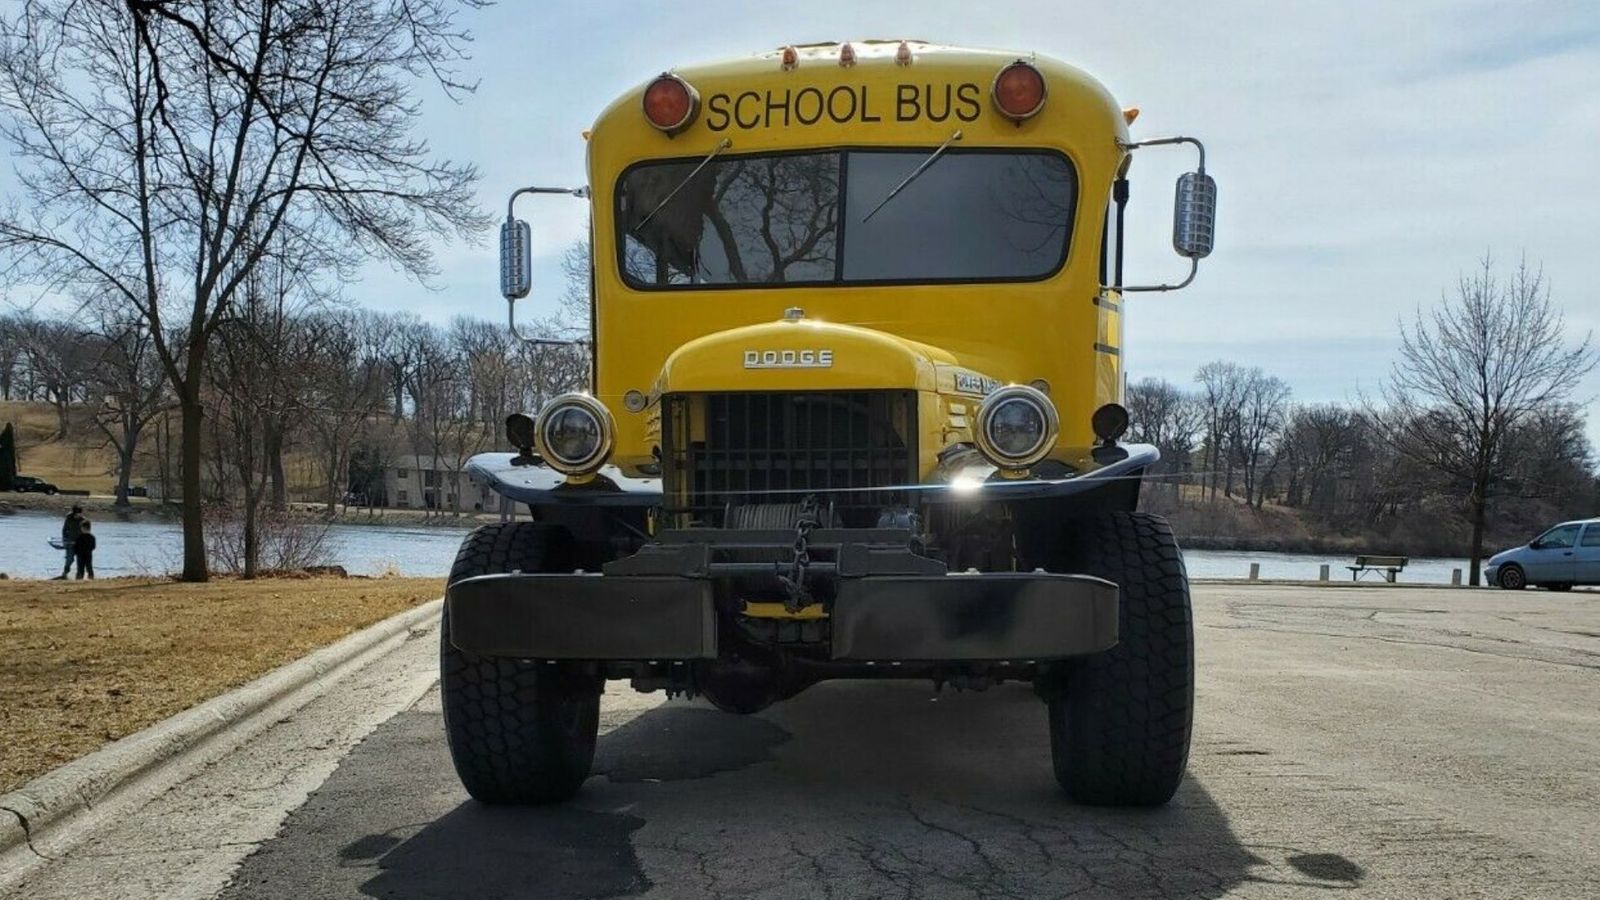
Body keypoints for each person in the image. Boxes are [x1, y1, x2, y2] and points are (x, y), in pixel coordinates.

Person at [60, 504, 85, 579]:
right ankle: (65, 573)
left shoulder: (83, 520)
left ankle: (79, 576)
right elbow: (64, 530)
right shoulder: (68, 519)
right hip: (70, 542)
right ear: (74, 513)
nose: (79, 515)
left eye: (80, 514)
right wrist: (65, 540)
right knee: (70, 559)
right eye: (77, 514)